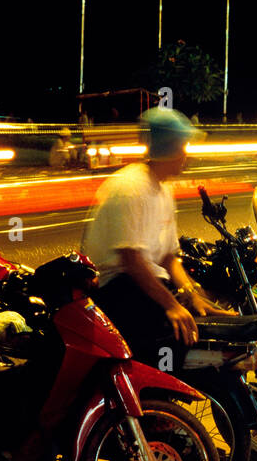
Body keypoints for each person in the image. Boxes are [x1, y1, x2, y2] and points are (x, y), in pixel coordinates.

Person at [83, 107, 224, 370]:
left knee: (203, 320)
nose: (186, 154)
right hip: (116, 287)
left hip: (145, 282)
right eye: (183, 146)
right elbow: (132, 261)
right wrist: (172, 305)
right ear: (167, 148)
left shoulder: (164, 189)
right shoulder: (129, 188)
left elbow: (169, 257)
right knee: (173, 332)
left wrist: (191, 293)